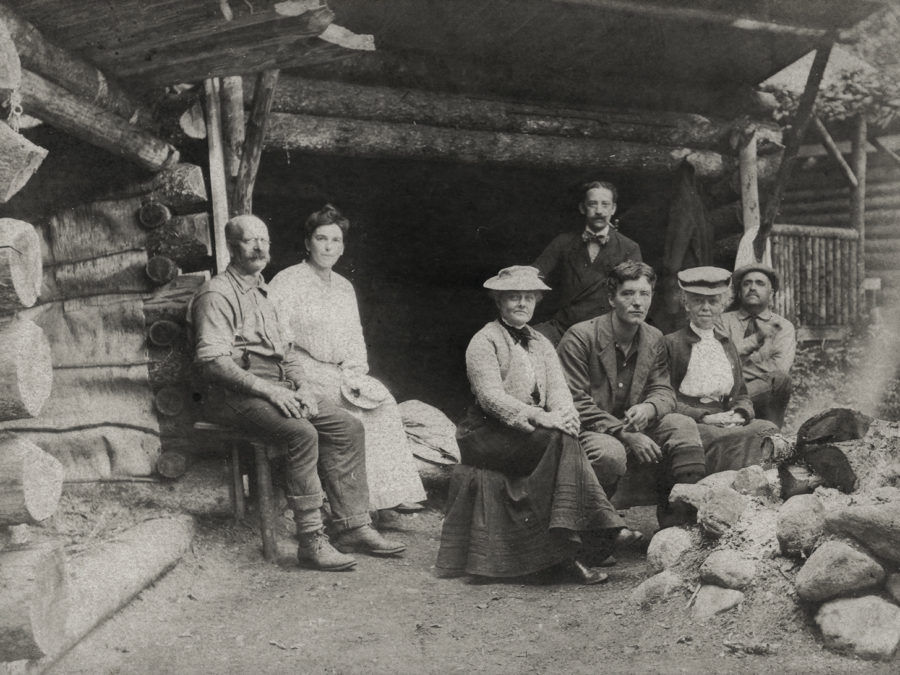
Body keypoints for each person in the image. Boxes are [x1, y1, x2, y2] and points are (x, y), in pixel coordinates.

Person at [189, 214, 404, 572]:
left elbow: (285, 351)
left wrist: (301, 386)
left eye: (264, 241)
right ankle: (311, 539)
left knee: (346, 427)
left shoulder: (263, 290)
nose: (258, 248)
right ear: (230, 246)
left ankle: (352, 526)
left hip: (275, 388)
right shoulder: (217, 294)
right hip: (232, 396)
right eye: (248, 241)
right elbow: (213, 364)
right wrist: (271, 392)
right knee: (300, 432)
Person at [436, 266, 625, 584]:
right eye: (513, 297)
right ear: (498, 302)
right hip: (486, 433)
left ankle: (565, 553)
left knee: (562, 437)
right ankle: (603, 527)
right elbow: (491, 398)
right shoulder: (484, 341)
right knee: (558, 440)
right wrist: (541, 417)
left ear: (537, 301)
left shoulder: (542, 343)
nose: (522, 303)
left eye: (528, 297)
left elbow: (560, 393)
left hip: (532, 433)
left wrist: (567, 417)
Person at [269, 205, 427, 516]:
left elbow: (355, 337)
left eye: (335, 240)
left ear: (343, 247)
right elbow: (279, 341)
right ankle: (360, 506)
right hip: (301, 368)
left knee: (383, 402)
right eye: (321, 238)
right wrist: (302, 377)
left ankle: (390, 495)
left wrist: (356, 373)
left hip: (339, 370)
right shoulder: (288, 281)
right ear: (307, 243)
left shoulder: (344, 287)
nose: (328, 246)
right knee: (355, 415)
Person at [557, 261, 705, 528]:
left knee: (682, 425)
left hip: (635, 424)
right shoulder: (580, 338)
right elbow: (573, 401)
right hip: (588, 429)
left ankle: (681, 522)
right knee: (610, 453)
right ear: (611, 298)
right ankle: (595, 533)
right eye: (628, 294)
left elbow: (662, 389)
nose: (637, 302)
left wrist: (649, 408)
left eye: (644, 294)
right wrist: (624, 433)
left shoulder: (653, 337)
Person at [664, 267, 778, 474]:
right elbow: (665, 398)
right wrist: (705, 417)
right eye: (698, 300)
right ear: (686, 303)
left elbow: (741, 394)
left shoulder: (726, 343)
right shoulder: (672, 343)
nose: (706, 308)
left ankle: (752, 493)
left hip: (727, 418)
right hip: (692, 421)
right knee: (716, 438)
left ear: (723, 305)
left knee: (767, 430)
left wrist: (742, 414)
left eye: (713, 301)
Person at [532, 181, 642, 346]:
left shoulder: (629, 248)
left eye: (605, 204)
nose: (599, 211)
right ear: (582, 208)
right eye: (592, 204)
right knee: (527, 340)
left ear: (613, 209)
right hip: (564, 326)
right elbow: (534, 275)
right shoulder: (563, 242)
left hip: (605, 330)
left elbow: (634, 294)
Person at [719, 264, 795, 428]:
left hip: (762, 396)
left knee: (781, 380)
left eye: (760, 283)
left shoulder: (783, 326)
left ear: (771, 293)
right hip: (725, 393)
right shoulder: (722, 322)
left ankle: (770, 437)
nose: (752, 288)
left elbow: (778, 371)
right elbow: (719, 363)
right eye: (747, 283)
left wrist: (737, 365)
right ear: (739, 292)